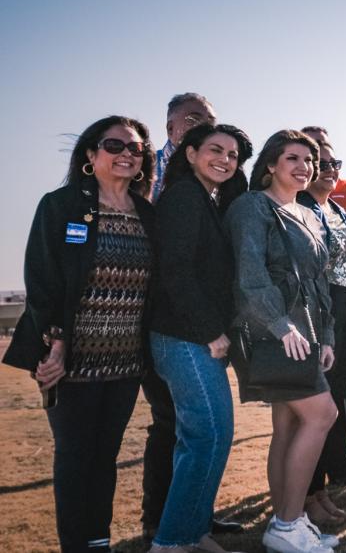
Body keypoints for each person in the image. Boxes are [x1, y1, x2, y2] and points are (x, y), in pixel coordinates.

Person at [3, 116, 156, 553]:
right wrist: (56, 344)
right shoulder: (62, 205)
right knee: (74, 457)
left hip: (127, 361)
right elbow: (44, 280)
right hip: (69, 360)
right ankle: (76, 545)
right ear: (91, 155)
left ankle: (98, 541)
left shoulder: (148, 214)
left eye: (137, 148)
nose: (127, 153)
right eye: (115, 145)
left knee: (105, 456)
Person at [226, 130, 339, 553]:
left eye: (309, 160)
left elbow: (320, 281)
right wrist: (280, 325)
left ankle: (285, 523)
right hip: (271, 331)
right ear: (271, 164)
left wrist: (325, 335)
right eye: (292, 158)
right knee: (322, 413)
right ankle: (289, 525)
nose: (303, 167)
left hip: (306, 330)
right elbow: (249, 274)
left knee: (289, 425)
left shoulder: (309, 213)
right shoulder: (252, 207)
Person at [147, 123, 253, 553]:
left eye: (233, 155)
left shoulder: (208, 199)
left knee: (205, 437)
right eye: (215, 150)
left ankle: (193, 532)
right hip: (183, 338)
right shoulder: (184, 197)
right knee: (207, 436)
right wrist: (210, 332)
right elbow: (175, 271)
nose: (225, 160)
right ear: (189, 153)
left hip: (193, 338)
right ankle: (171, 542)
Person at [298, 141, 346, 523]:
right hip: (311, 320)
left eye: (333, 162)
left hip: (343, 319)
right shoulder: (296, 208)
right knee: (311, 412)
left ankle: (319, 491)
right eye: (318, 162)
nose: (327, 168)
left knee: (333, 407)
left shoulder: (338, 209)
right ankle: (303, 496)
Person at [302, 127, 346, 232]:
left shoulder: (343, 202)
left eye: (334, 163)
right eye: (321, 164)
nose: (330, 169)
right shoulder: (292, 208)